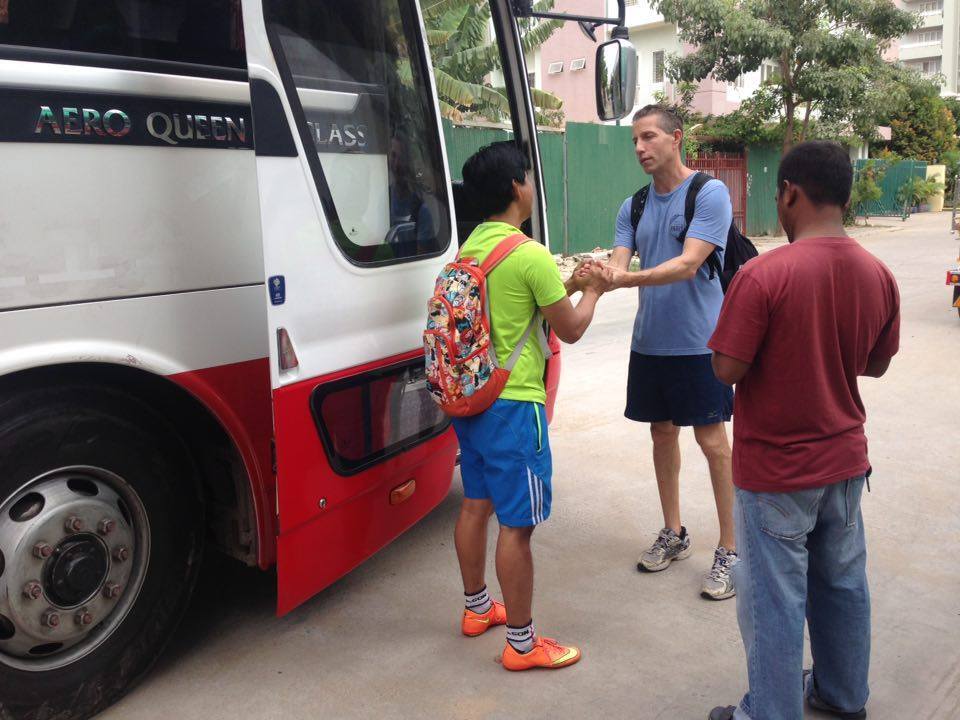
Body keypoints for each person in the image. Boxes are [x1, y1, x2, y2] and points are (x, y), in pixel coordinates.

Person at [706, 141, 900, 720]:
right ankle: (843, 697)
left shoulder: (764, 274)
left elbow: (727, 368)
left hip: (776, 475)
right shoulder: (878, 273)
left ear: (789, 192)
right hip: (844, 468)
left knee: (773, 601)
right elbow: (876, 363)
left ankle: (769, 711)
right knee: (843, 587)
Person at [452, 141, 609, 671]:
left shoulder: (471, 248)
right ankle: (522, 644)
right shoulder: (530, 253)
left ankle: (478, 609)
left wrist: (567, 285)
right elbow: (571, 327)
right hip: (515, 408)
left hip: (469, 400)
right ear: (519, 185)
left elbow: (513, 303)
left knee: (475, 506)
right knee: (517, 527)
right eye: (529, 177)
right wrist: (593, 291)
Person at [599, 104, 738, 599]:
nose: (640, 148)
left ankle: (730, 548)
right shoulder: (632, 206)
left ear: (676, 138)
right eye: (635, 140)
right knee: (662, 435)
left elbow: (688, 262)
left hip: (701, 343)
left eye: (649, 137)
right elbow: (617, 265)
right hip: (650, 342)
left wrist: (625, 277)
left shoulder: (709, 193)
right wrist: (599, 278)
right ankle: (674, 533)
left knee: (713, 443)